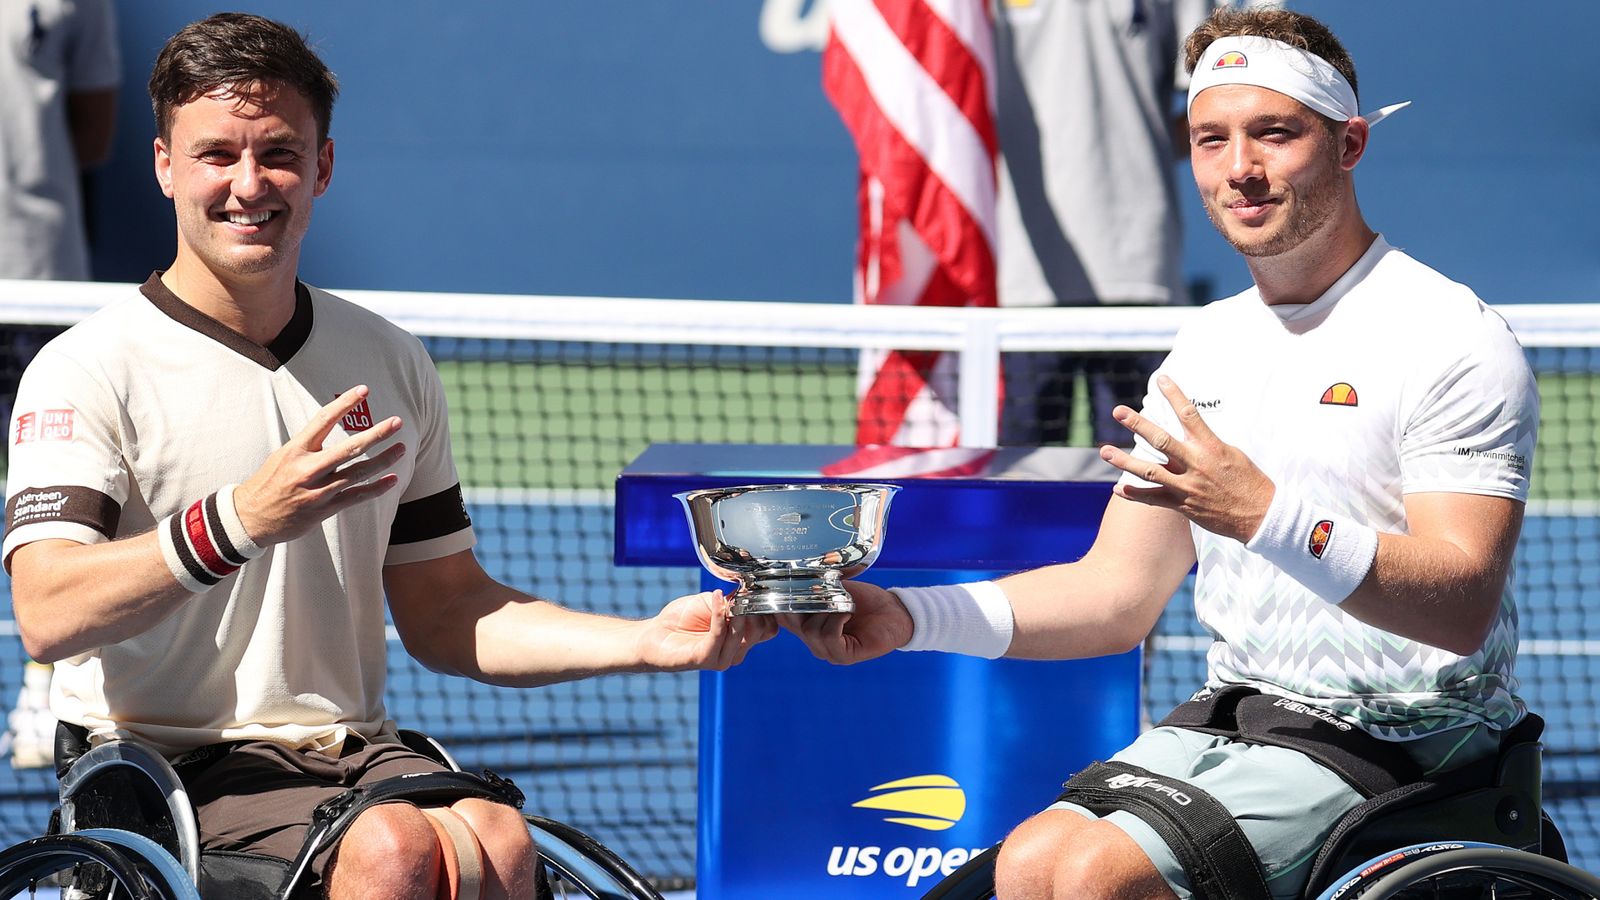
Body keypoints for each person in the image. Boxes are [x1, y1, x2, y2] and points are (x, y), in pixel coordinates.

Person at [2, 13, 774, 899]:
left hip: (350, 753)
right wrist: (243, 519)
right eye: (217, 154)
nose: (249, 185)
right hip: (162, 768)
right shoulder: (86, 366)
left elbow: (448, 610)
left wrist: (642, 643)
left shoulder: (389, 359)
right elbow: (50, 611)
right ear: (164, 166)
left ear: (322, 168)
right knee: (393, 855)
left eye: (280, 153)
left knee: (499, 839)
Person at [784, 8, 1538, 899]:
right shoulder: (1206, 348)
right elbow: (1115, 593)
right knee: (1027, 866)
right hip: (1238, 721)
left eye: (1274, 134)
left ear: (1349, 144)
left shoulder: (1450, 336)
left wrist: (1265, 515)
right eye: (1210, 140)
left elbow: (1460, 602)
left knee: (1098, 877)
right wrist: (909, 618)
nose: (1240, 170)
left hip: (1416, 742)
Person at [993, 0, 1214, 448]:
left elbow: (1213, 96)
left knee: (1140, 483)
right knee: (1016, 487)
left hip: (1137, 267)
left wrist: (1139, 149)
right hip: (1022, 276)